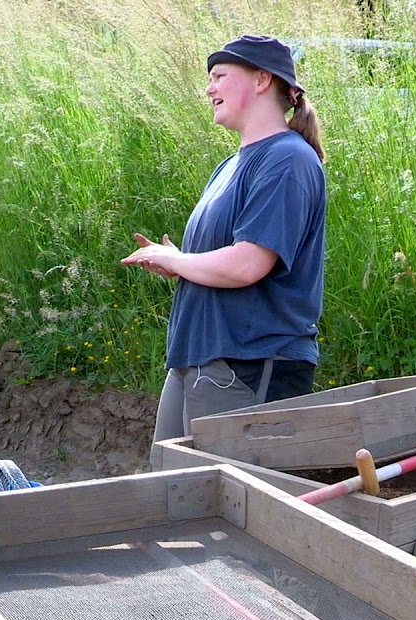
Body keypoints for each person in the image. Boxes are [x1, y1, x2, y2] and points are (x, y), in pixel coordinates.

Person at [122, 35, 327, 442]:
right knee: (171, 493)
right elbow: (228, 260)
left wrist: (179, 261)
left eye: (219, 76)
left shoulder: (287, 158)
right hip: (198, 358)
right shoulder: (230, 166)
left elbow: (249, 264)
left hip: (249, 363)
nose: (209, 88)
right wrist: (177, 261)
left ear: (262, 80)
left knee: (224, 501)